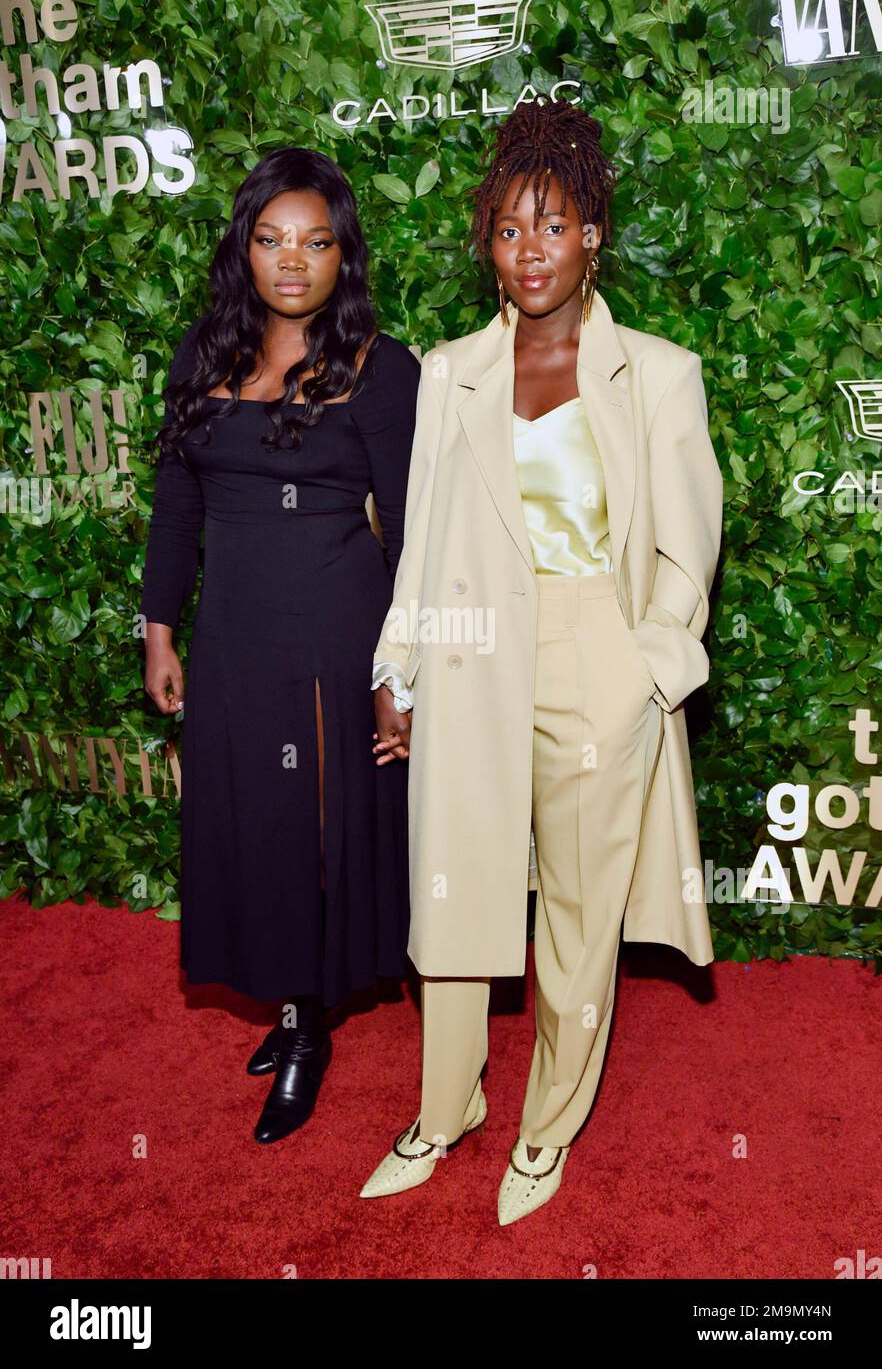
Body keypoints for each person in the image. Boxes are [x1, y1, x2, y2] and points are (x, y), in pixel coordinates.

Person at [363, 99, 723, 1224]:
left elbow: (687, 546)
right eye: (510, 230)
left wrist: (647, 669)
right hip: (471, 655)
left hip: (594, 662)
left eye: (553, 226)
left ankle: (546, 1127)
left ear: (593, 233)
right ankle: (445, 1106)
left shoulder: (659, 373)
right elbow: (422, 534)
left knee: (578, 914)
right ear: (489, 240)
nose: (530, 252)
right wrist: (400, 660)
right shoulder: (450, 372)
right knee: (455, 894)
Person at [139, 147, 419, 1145]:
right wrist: (160, 627)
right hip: (234, 636)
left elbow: (422, 533)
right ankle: (290, 996)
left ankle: (305, 1029)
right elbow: (178, 508)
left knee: (312, 824)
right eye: (270, 239)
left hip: (337, 626)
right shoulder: (201, 355)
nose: (291, 262)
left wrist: (402, 669)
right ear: (243, 247)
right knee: (252, 818)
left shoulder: (381, 368)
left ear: (343, 254)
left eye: (315, 241)